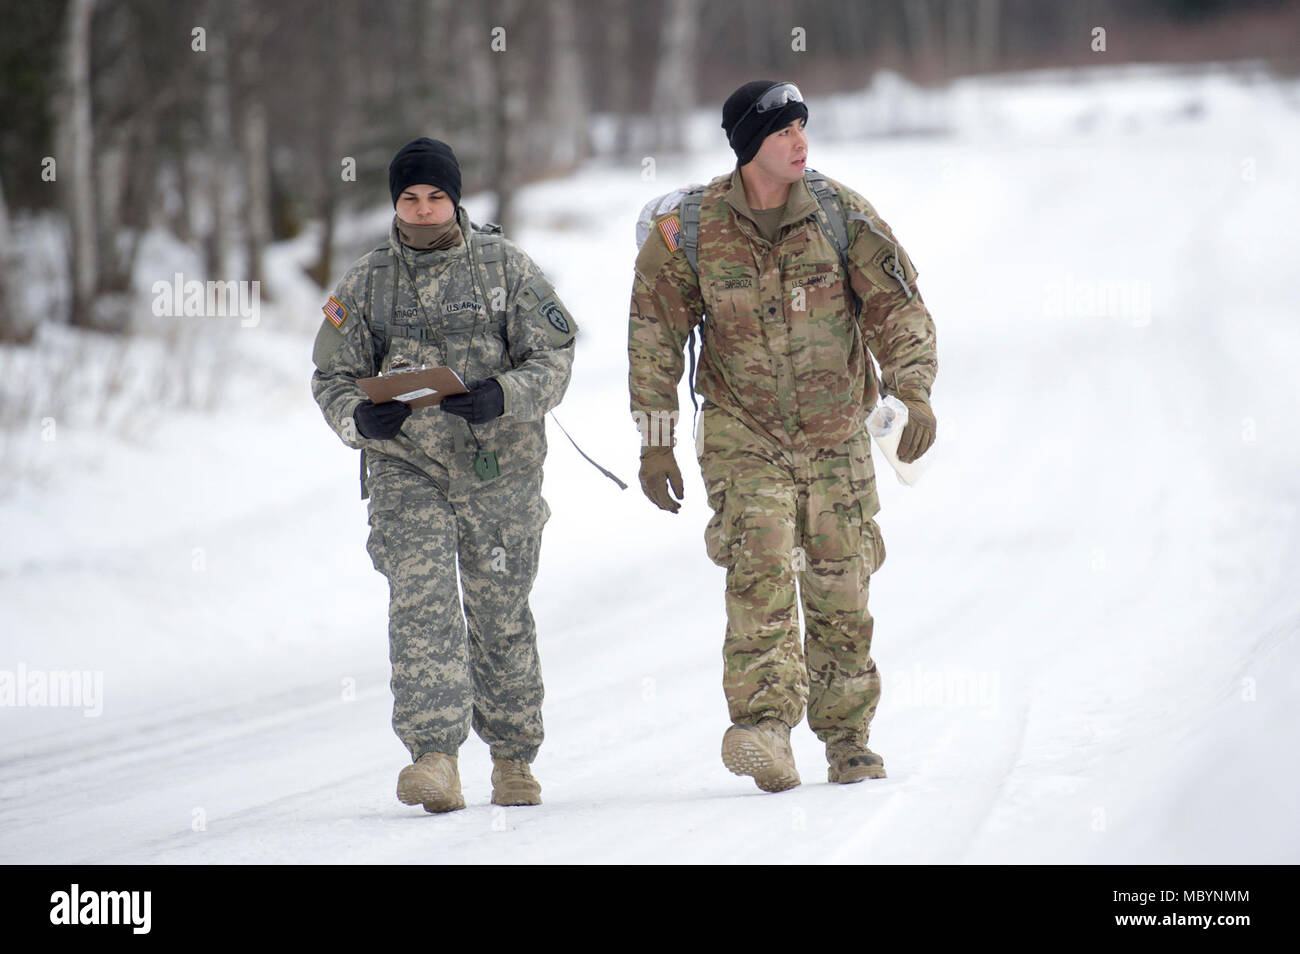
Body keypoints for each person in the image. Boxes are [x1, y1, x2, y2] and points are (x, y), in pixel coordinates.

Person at [627, 81, 938, 792]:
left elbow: (897, 307)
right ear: (747, 147)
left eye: (803, 127)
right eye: (783, 132)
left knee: (841, 582)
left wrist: (912, 388)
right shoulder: (691, 230)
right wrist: (655, 439)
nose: (801, 141)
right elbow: (654, 339)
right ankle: (765, 729)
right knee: (761, 564)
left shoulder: (841, 213)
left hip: (836, 433)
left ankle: (849, 738)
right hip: (745, 430)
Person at [311, 137, 577, 813]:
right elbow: (331, 376)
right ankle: (434, 758)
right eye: (410, 198)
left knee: (500, 612)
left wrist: (503, 395)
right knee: (421, 604)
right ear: (394, 203)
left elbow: (554, 357)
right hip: (409, 469)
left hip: (499, 468)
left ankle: (514, 757)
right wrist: (357, 420)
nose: (424, 211)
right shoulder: (367, 282)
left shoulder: (506, 268)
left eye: (436, 197)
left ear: (456, 199)